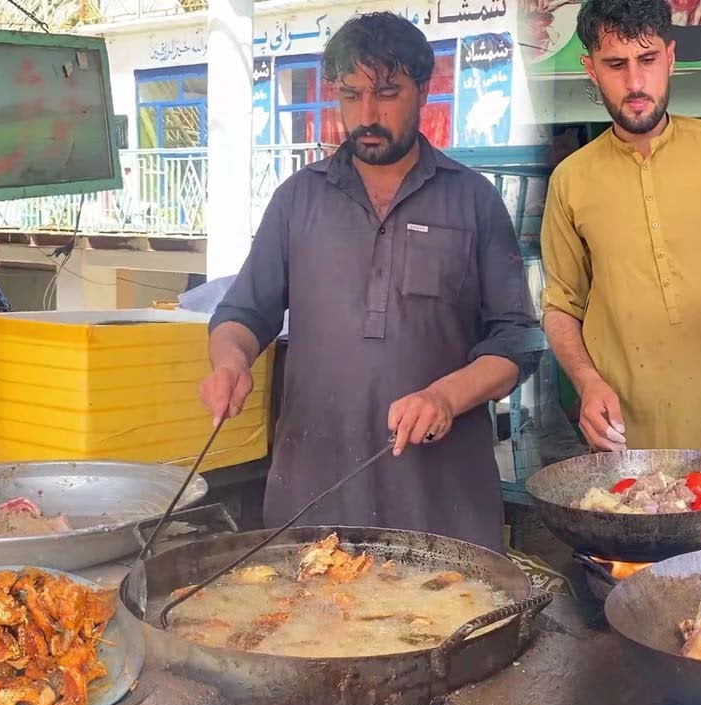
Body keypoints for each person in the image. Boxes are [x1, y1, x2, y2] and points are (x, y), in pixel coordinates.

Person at [199, 12, 539, 550]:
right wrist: (230, 362)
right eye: (351, 95)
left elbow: (517, 342)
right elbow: (243, 313)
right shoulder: (297, 199)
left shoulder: (472, 200)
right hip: (313, 490)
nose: (367, 114)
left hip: (440, 500)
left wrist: (446, 397)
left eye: (386, 93)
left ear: (423, 91)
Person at [539, 0, 701, 490]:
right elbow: (560, 306)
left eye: (648, 60)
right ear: (590, 68)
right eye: (616, 64)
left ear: (672, 58)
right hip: (636, 446)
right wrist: (588, 383)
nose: (635, 84)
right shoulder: (570, 181)